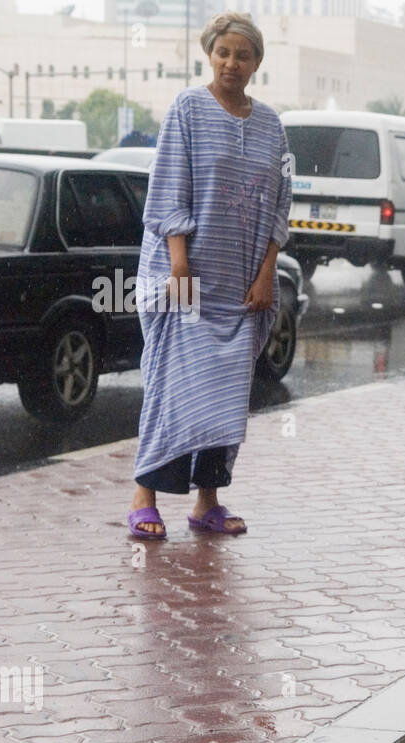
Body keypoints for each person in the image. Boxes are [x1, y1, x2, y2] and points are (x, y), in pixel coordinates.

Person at [127, 11, 290, 539]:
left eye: (243, 55)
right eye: (223, 53)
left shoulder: (270, 124)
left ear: (257, 63)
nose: (231, 63)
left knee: (225, 393)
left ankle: (207, 504)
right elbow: (170, 184)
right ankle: (144, 496)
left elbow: (280, 206)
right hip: (186, 281)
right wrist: (179, 265)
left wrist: (267, 275)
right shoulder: (187, 109)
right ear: (209, 55)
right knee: (173, 386)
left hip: (242, 287)